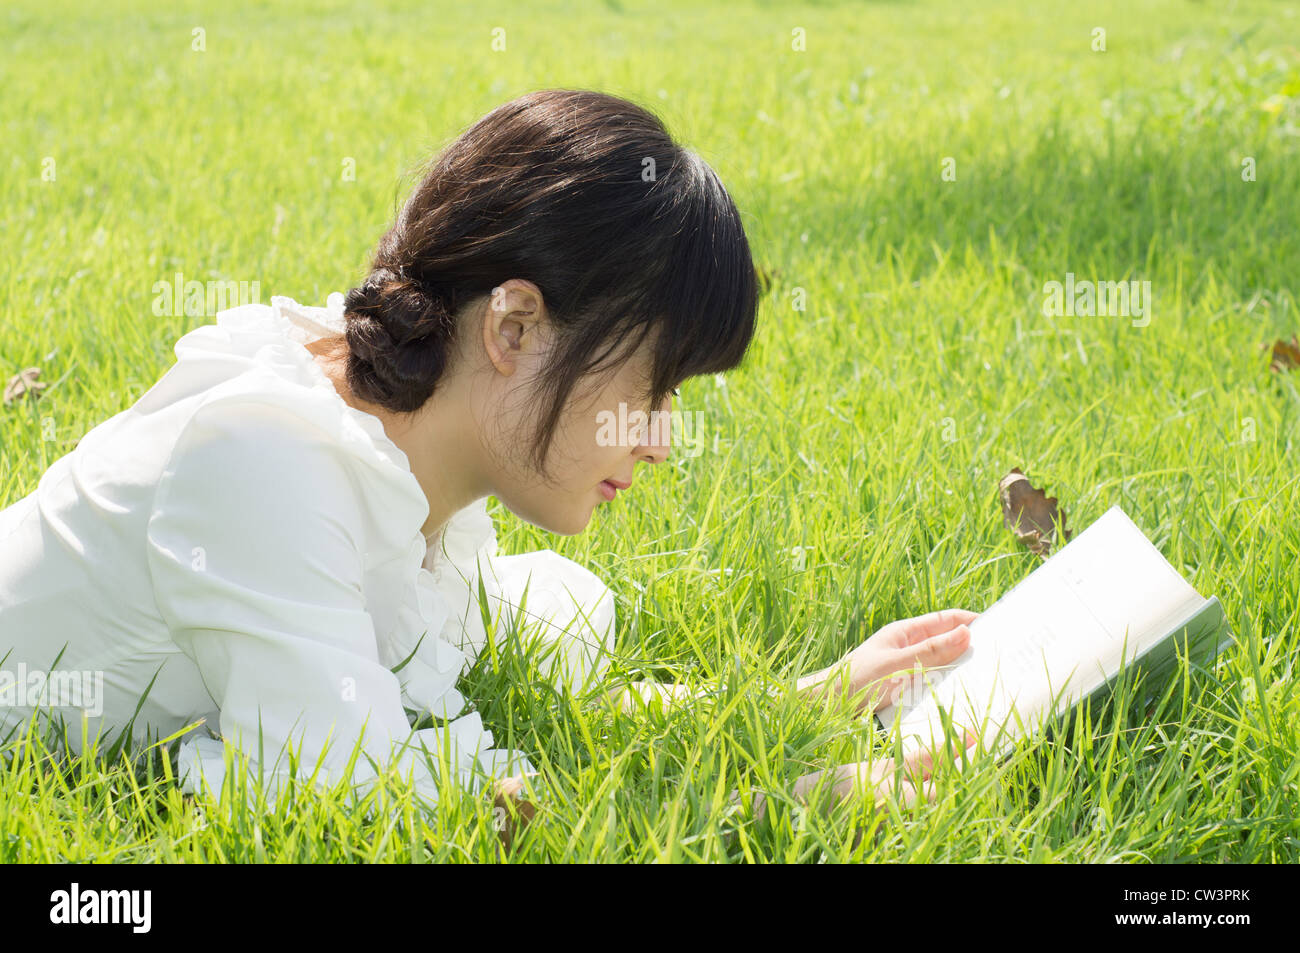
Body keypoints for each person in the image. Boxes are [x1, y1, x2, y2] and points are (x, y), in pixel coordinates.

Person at [0, 89, 975, 843]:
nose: (661, 438)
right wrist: (782, 807)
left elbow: (459, 666)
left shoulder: (415, 433)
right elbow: (357, 798)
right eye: (655, 385)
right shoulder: (264, 457)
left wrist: (797, 698)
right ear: (512, 326)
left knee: (559, 613)